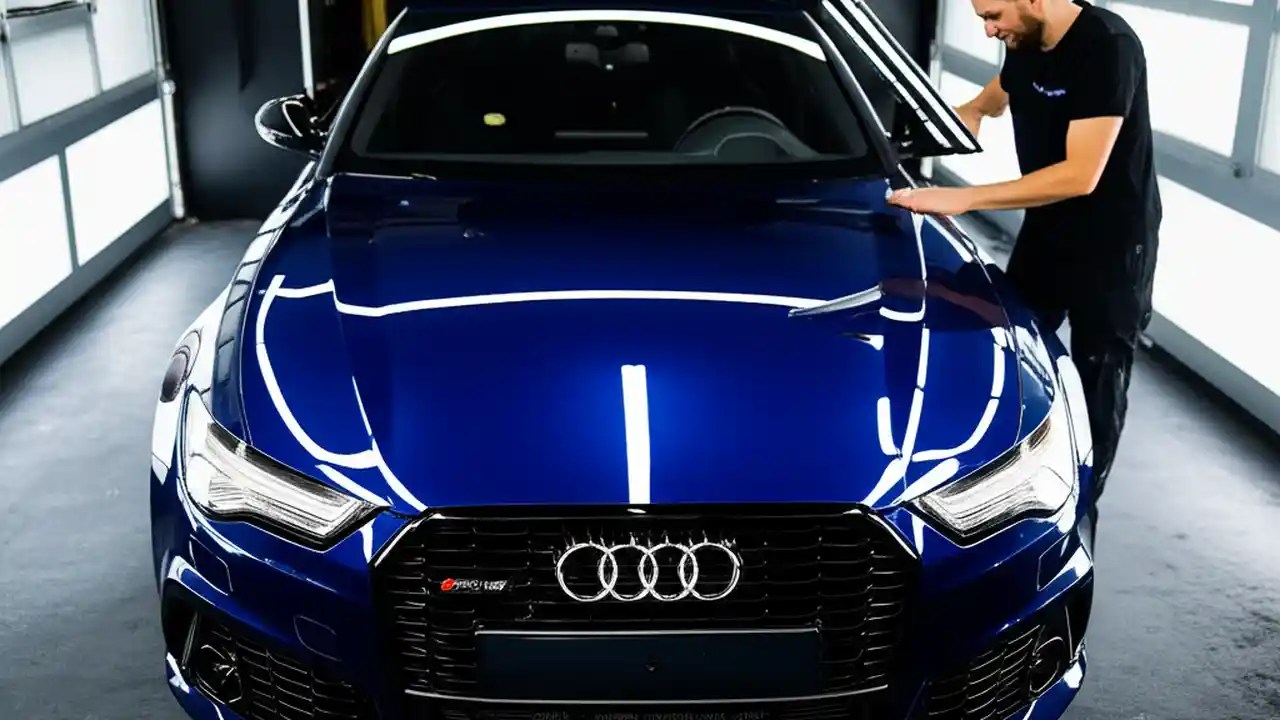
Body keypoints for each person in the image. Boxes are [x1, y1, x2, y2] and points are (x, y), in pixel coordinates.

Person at [887, 0, 1161, 500]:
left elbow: (1081, 175)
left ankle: (1081, 504)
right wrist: (971, 110)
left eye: (994, 16)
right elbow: (1004, 90)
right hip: (1048, 230)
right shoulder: (1025, 39)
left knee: (1099, 375)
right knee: (1013, 345)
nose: (990, 31)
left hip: (1114, 244)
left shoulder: (1107, 47)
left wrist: (965, 196)